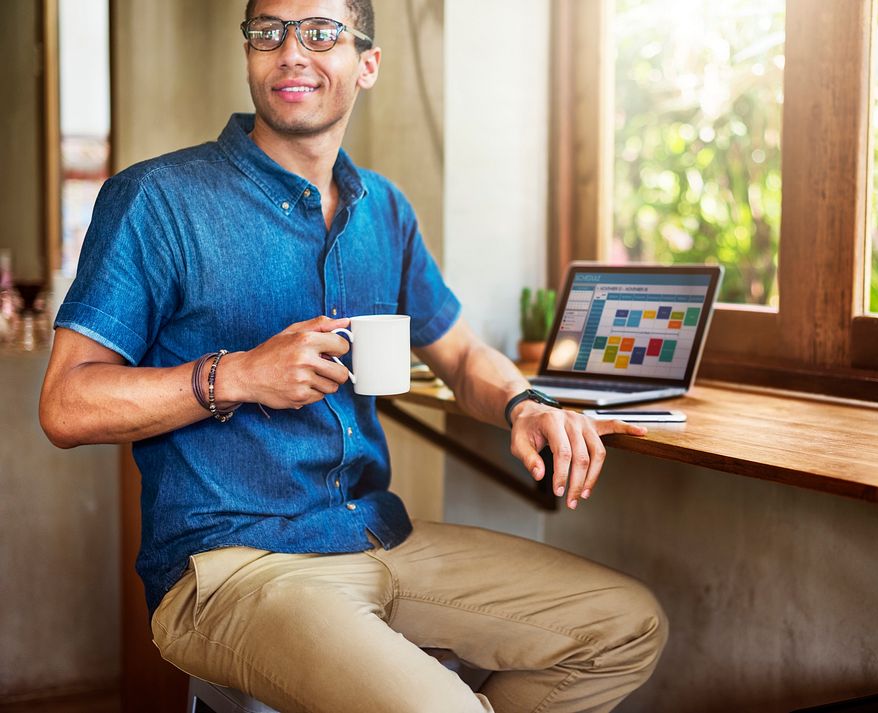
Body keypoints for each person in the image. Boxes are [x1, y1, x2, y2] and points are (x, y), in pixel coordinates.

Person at [39, 1, 667, 711]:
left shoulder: (386, 210)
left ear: (366, 64)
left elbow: (460, 352)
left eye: (320, 32)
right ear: (248, 55)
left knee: (623, 625)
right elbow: (65, 405)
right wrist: (239, 374)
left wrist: (525, 402)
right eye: (268, 33)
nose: (291, 52)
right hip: (232, 565)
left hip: (376, 536)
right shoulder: (156, 199)